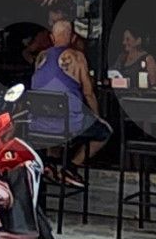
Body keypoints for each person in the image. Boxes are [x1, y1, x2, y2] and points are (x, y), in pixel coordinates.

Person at [29, 14, 108, 174]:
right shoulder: (77, 57)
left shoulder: (41, 57)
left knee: (53, 125)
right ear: (72, 38)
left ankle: (50, 164)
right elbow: (89, 93)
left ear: (52, 38)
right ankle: (71, 167)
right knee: (105, 132)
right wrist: (97, 117)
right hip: (67, 125)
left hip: (39, 124)